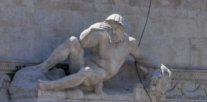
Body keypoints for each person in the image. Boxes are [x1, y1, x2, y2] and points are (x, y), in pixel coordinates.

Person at [37, 14, 171, 95]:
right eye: (109, 28)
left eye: (115, 29)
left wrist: (160, 65)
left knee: (87, 71)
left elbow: (142, 58)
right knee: (72, 41)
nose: (112, 32)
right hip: (80, 68)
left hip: (97, 75)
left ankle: (50, 86)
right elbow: (82, 42)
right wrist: (93, 28)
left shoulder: (129, 44)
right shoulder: (103, 37)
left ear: (122, 29)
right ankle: (43, 68)